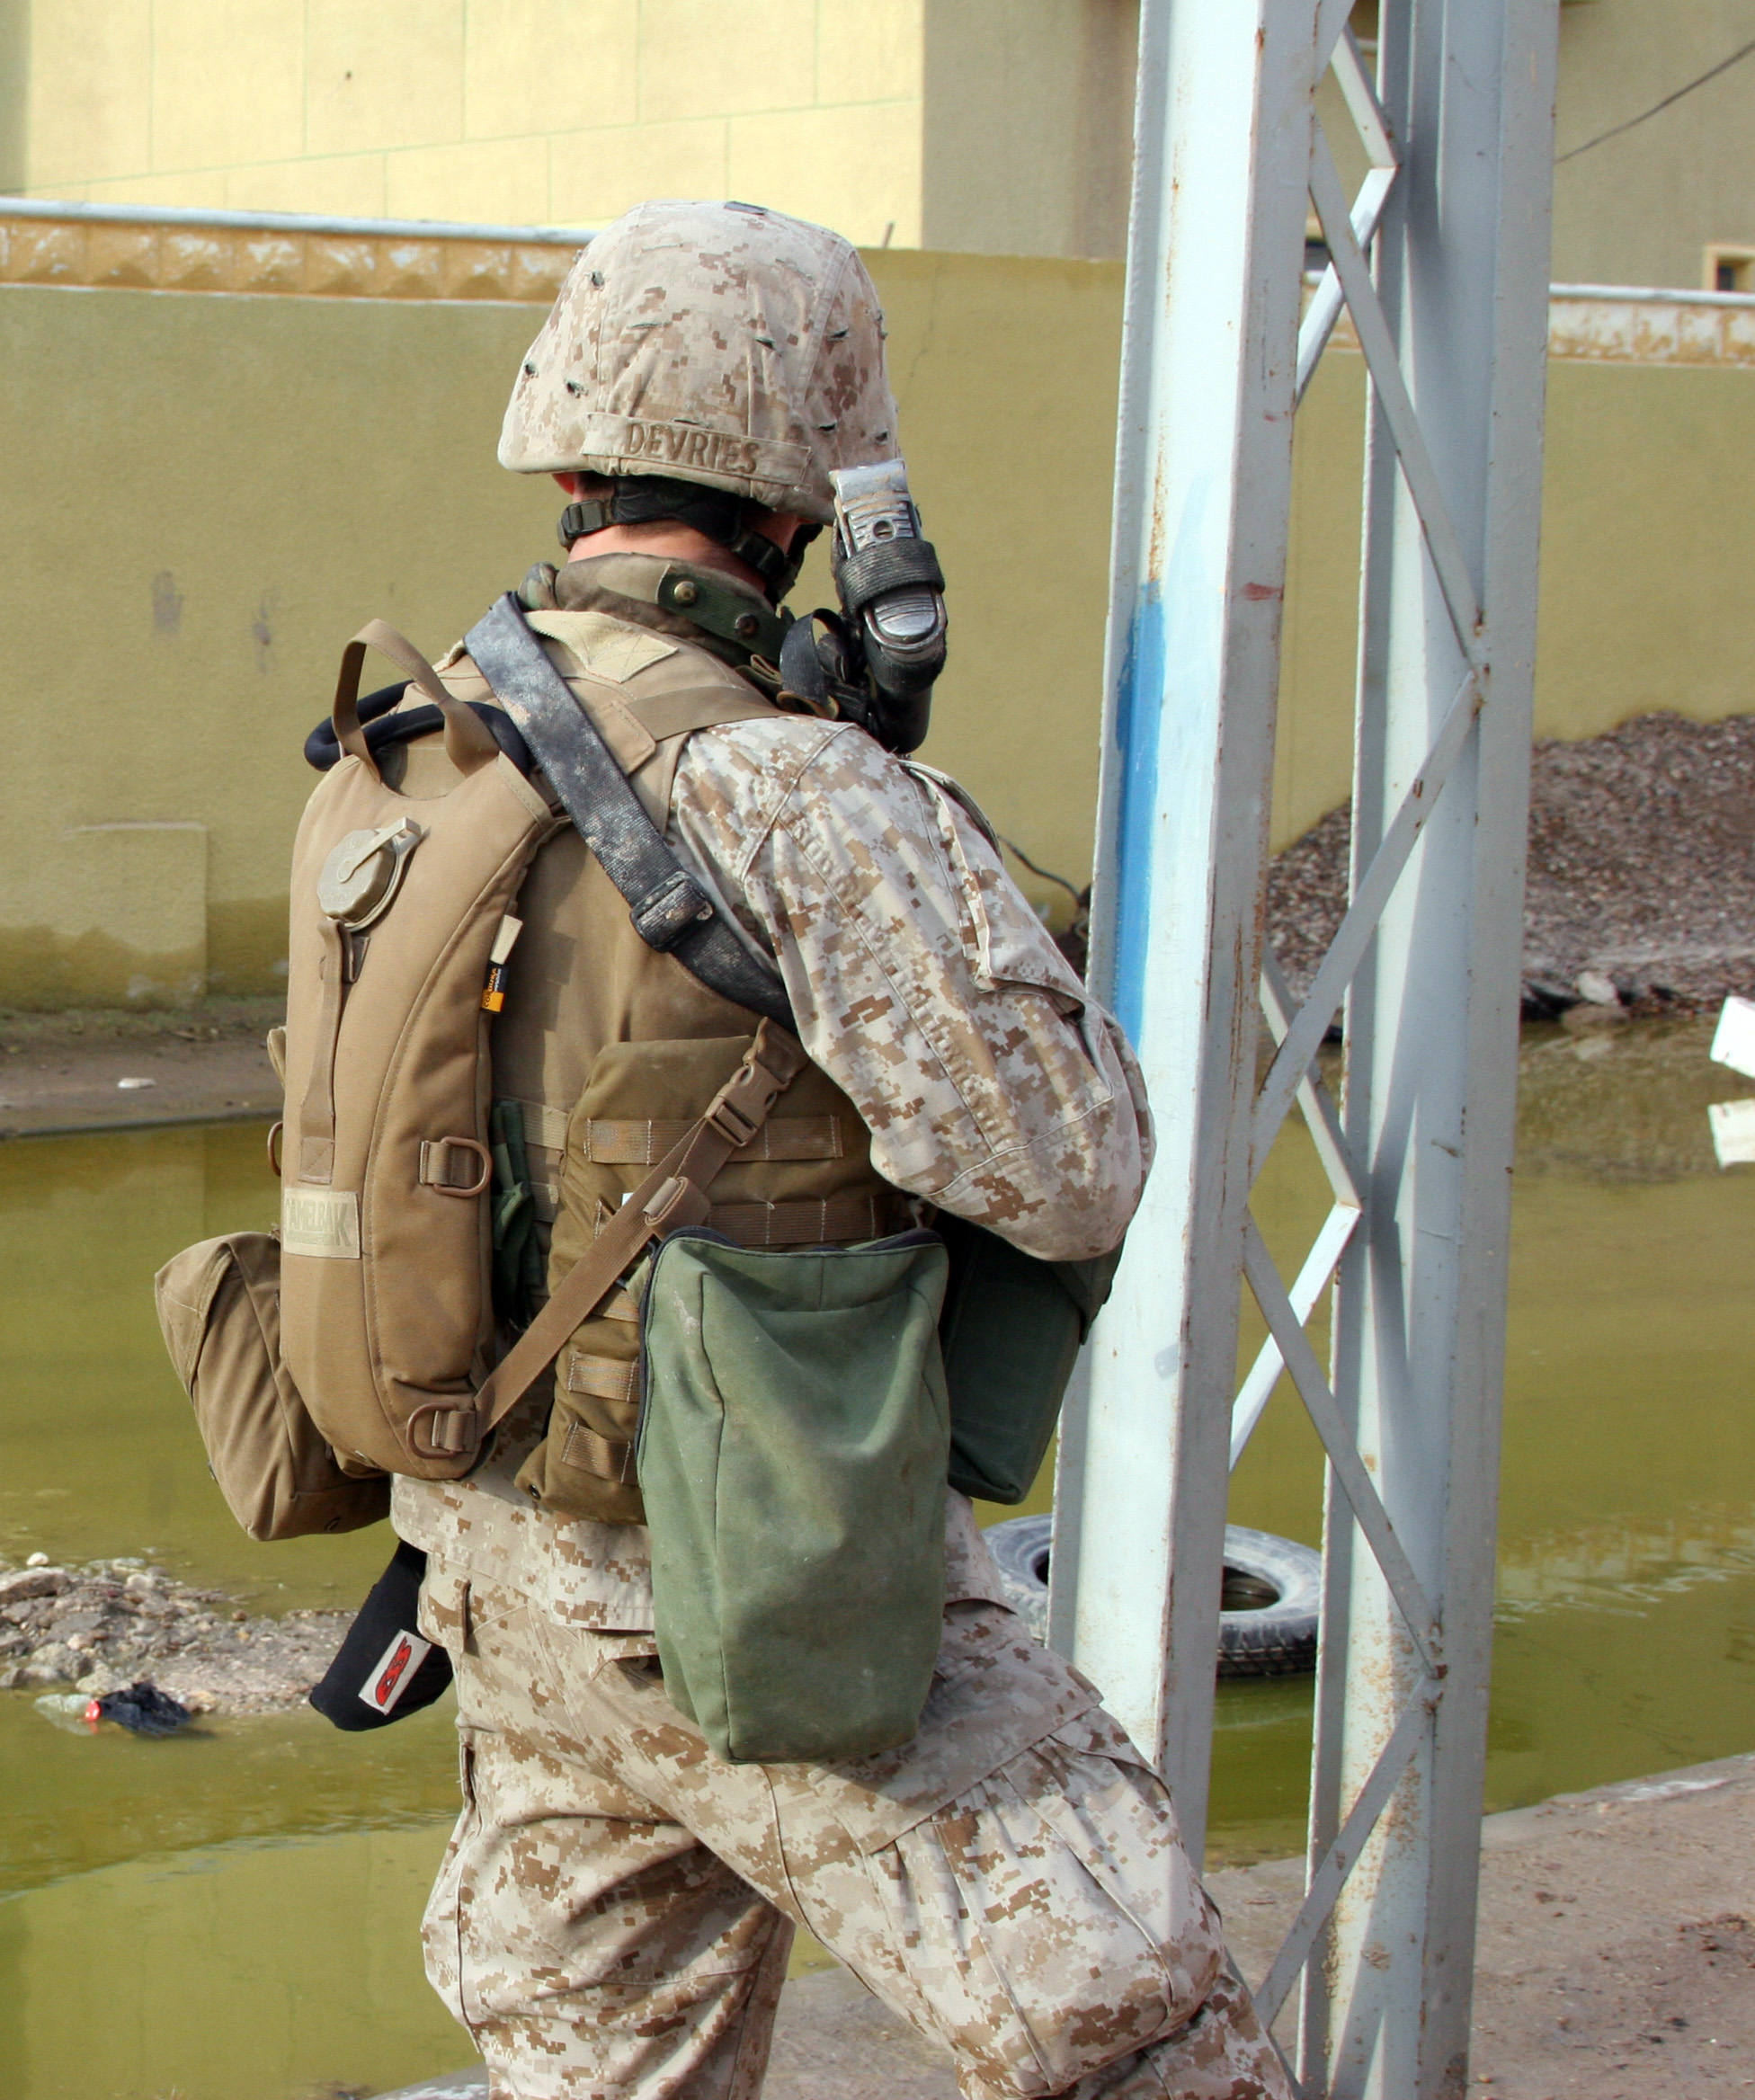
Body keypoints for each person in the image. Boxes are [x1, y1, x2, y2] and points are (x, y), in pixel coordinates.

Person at [355, 202, 1294, 2097]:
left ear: (561, 455)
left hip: (491, 1548)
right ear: (808, 495)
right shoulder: (795, 787)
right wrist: (893, 807)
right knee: (1137, 2025)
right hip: (760, 1556)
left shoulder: (418, 752)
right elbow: (1068, 1163)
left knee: (611, 2065)